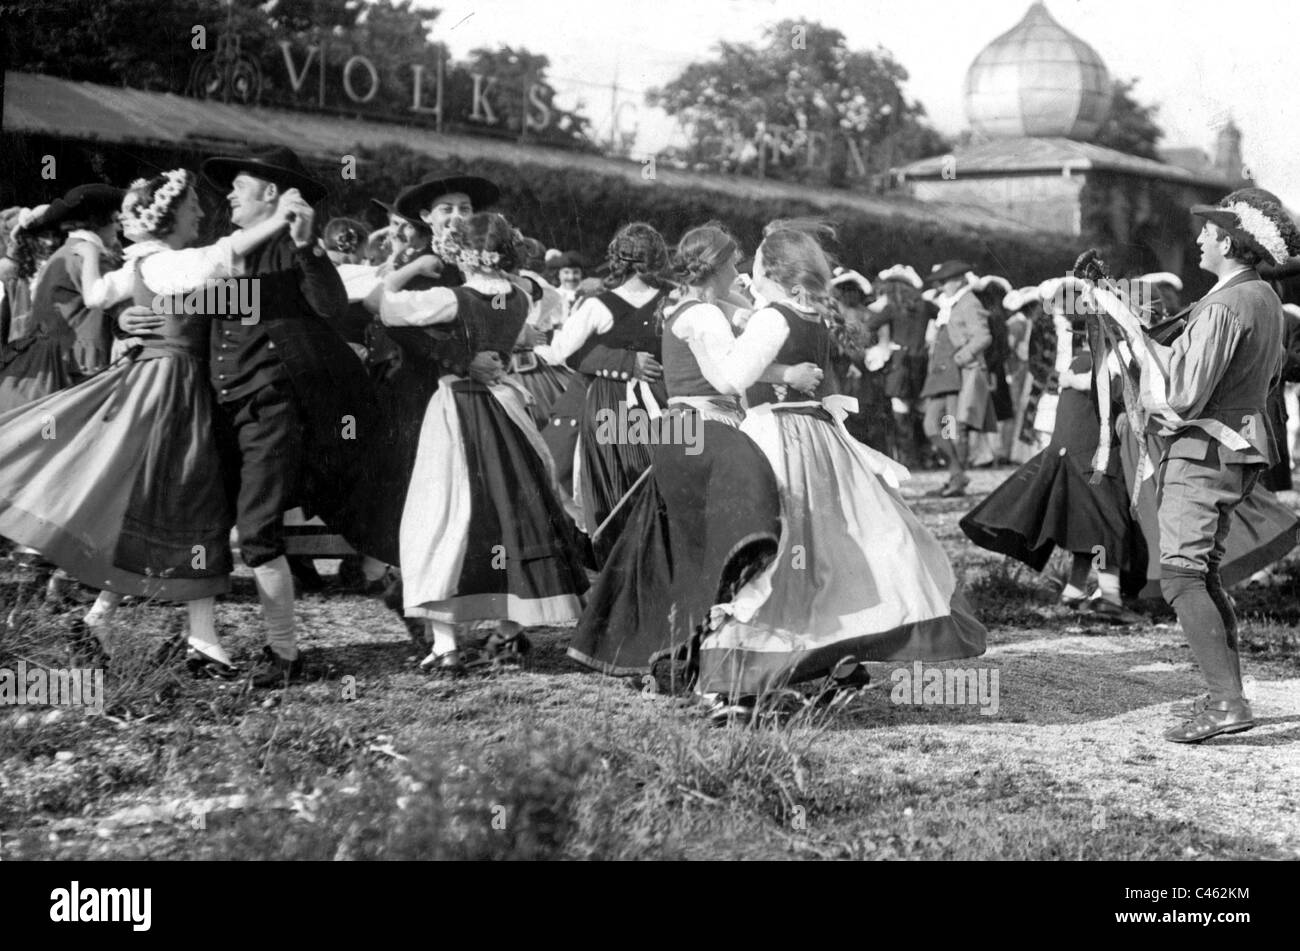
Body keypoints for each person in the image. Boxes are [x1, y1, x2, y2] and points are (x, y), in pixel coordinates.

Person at [0, 170, 299, 674]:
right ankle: (194, 639)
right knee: (190, 503)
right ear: (170, 215)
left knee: (175, 506)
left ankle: (145, 628)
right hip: (173, 391)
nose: (201, 213)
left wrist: (124, 316)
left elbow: (105, 297)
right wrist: (281, 217)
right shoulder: (171, 263)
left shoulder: (149, 265)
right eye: (192, 207)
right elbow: (219, 258)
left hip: (164, 385)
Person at [699, 222, 987, 720]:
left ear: (774, 273)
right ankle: (838, 658)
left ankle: (745, 674)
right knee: (830, 548)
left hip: (778, 434)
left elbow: (730, 377)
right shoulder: (807, 314)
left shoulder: (773, 318)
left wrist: (700, 330)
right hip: (816, 437)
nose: (748, 271)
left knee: (777, 549)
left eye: (756, 264)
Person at [1073, 187, 1300, 743]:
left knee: (1180, 576)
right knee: (1201, 572)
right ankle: (1229, 695)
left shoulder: (1225, 304)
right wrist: (1133, 323)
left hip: (1204, 449)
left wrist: (1131, 337)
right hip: (1236, 446)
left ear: (1230, 243)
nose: (1199, 239)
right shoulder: (1261, 297)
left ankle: (1226, 703)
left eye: (1208, 232)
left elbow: (1179, 392)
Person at [568, 222, 812, 686]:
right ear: (716, 266)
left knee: (686, 545)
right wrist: (786, 372)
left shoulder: (693, 306)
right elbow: (730, 376)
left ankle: (687, 651)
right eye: (733, 264)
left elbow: (750, 317)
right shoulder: (703, 315)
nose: (739, 272)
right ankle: (713, 651)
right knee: (723, 537)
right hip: (706, 426)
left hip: (685, 428)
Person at [192, 145, 379, 688]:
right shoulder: (225, 249)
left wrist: (307, 246)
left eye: (239, 187)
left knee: (258, 533)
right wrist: (143, 316)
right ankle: (201, 642)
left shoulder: (295, 247)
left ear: (270, 192)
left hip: (271, 405)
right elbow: (197, 306)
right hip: (220, 404)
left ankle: (285, 654)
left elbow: (332, 308)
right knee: (205, 519)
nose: (229, 196)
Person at [378, 212, 589, 674]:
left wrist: (409, 266)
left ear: (460, 252)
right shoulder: (520, 296)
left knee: (442, 516)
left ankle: (446, 645)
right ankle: (509, 633)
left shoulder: (453, 298)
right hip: (506, 410)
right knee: (510, 514)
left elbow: (386, 306)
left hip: (459, 408)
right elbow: (530, 327)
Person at [959, 318, 1146, 624]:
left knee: (1086, 528)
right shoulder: (1101, 362)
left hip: (1074, 456)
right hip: (1092, 459)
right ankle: (1110, 598)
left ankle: (1074, 590)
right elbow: (1113, 391)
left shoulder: (1081, 361)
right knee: (1108, 527)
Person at [535, 223, 672, 562]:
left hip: (621, 402)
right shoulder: (671, 299)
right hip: (651, 401)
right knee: (648, 473)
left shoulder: (599, 305)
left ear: (617, 260)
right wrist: (623, 361)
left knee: (616, 479)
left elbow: (560, 351)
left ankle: (619, 553)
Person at [0, 185, 122, 414]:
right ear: (98, 221)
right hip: (73, 366)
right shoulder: (88, 257)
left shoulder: (67, 252)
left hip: (58, 361)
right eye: (115, 220)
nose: (119, 227)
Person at [919, 260, 995, 496]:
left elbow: (983, 336)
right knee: (932, 424)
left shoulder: (969, 302)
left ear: (959, 280)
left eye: (945, 281)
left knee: (950, 428)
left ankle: (956, 478)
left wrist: (960, 358)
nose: (942, 286)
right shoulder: (951, 304)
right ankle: (957, 474)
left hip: (957, 376)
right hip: (942, 376)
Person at [866, 264, 933, 468]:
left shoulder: (892, 308)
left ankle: (909, 458)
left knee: (900, 410)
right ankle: (930, 454)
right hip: (922, 362)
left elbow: (870, 325)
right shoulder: (925, 305)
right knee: (924, 409)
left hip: (900, 363)